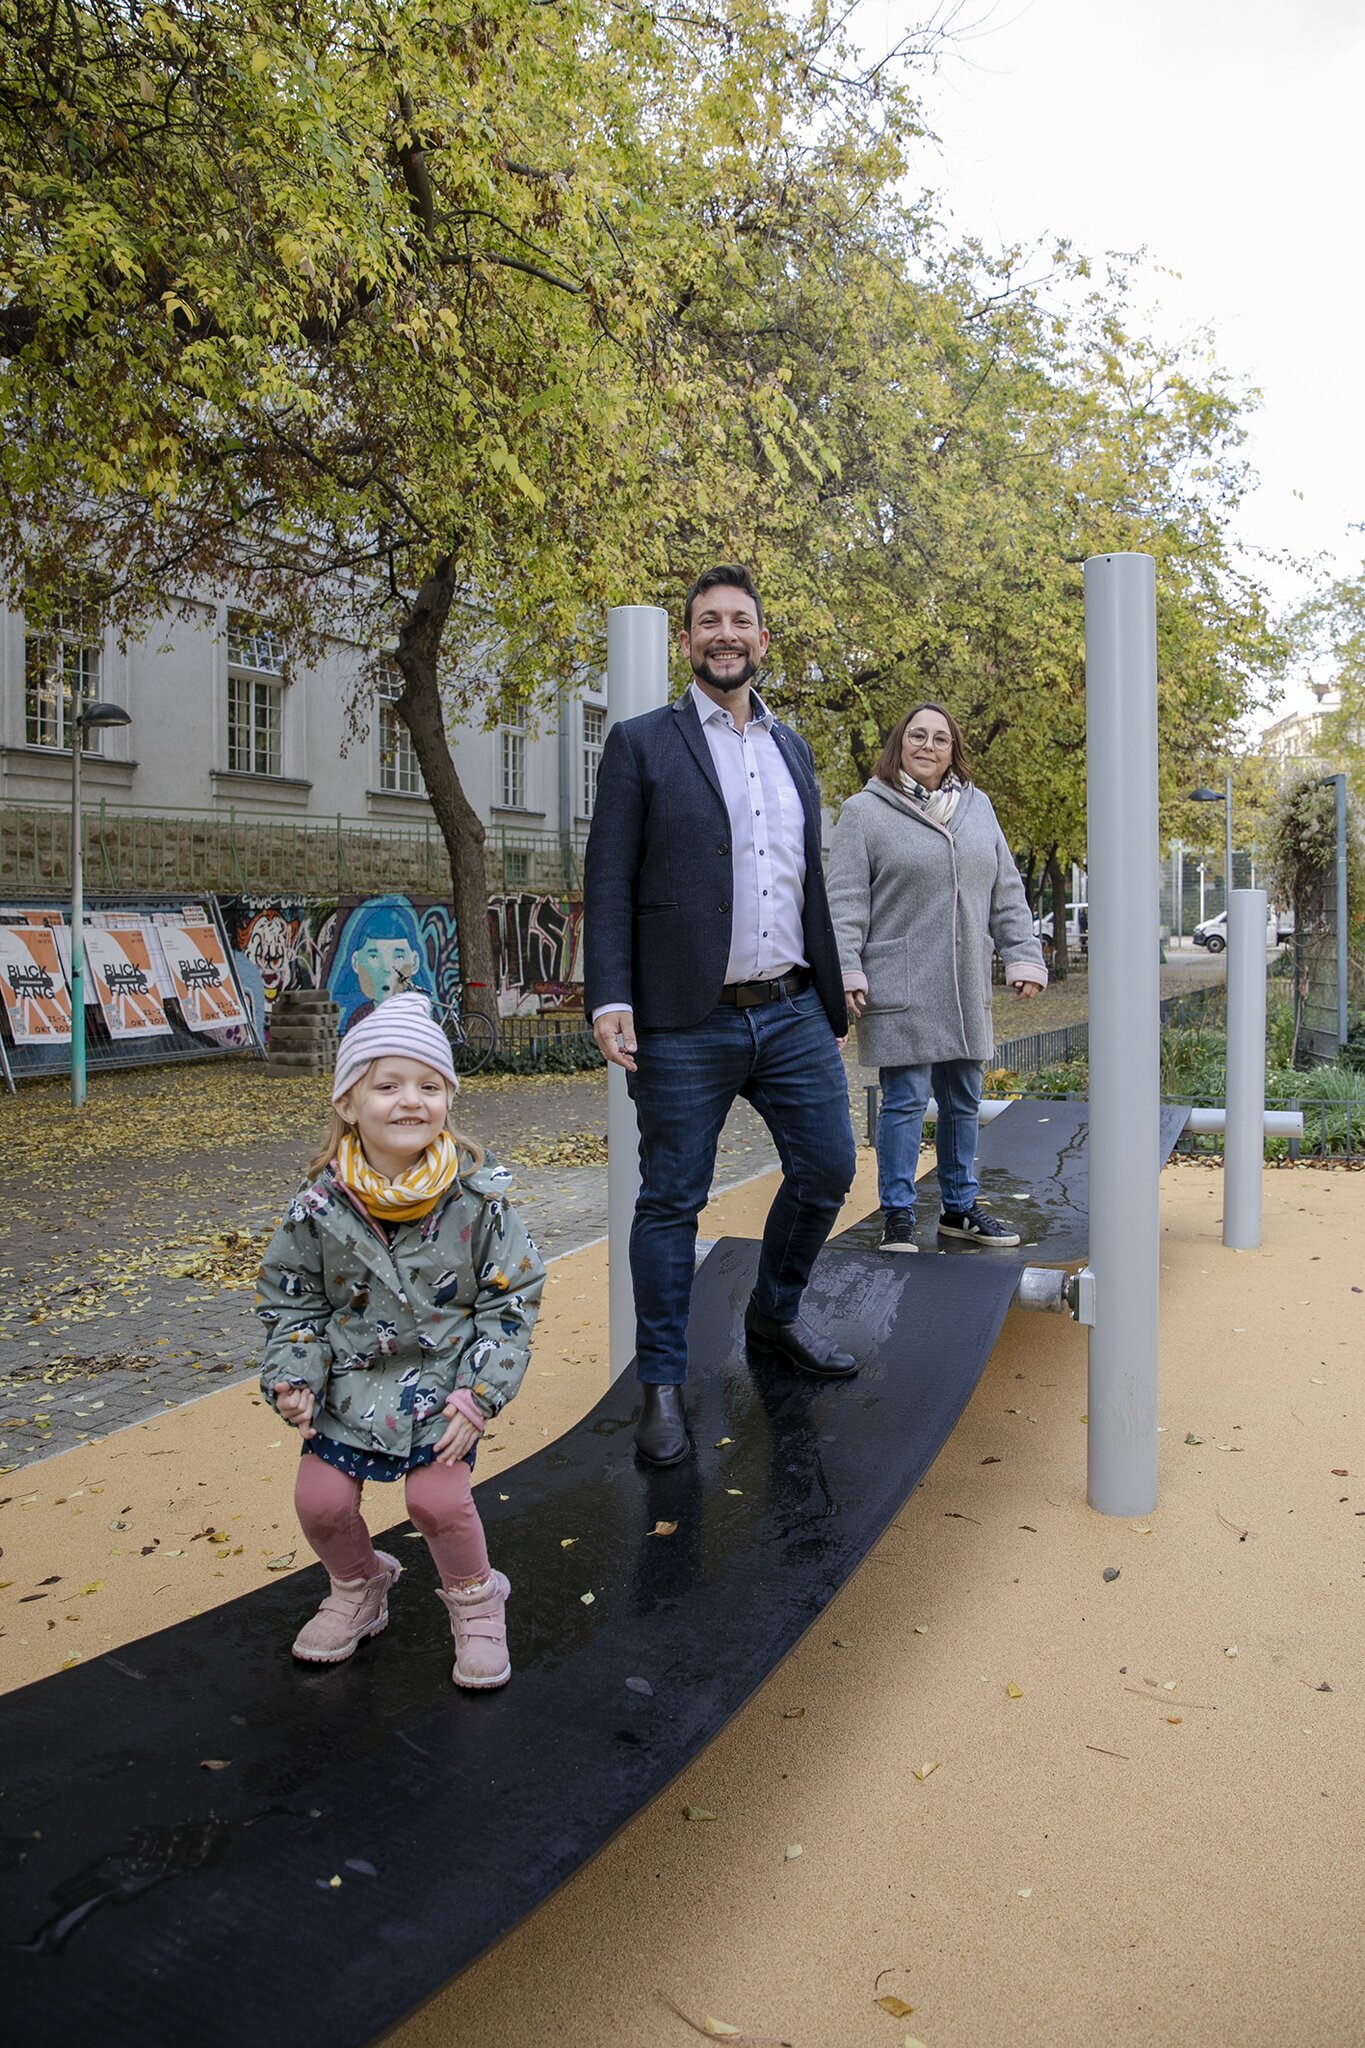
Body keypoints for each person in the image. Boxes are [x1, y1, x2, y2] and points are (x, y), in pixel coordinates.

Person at [584, 563, 859, 1468]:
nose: (725, 635)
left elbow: (804, 879)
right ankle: (661, 1384)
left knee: (827, 1166)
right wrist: (610, 994)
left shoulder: (793, 749)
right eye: (709, 622)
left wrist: (833, 984)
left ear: (762, 639)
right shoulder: (640, 743)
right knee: (671, 1200)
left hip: (789, 1008)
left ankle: (773, 1318)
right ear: (687, 641)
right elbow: (608, 876)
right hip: (681, 1018)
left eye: (740, 620)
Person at [256, 991, 545, 1686]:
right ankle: (360, 1585)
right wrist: (295, 1374)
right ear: (348, 1103)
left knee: (435, 1502)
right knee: (321, 1503)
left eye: (429, 1086)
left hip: (446, 1386)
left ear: (448, 1099)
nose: (411, 1100)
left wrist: (480, 1392)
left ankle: (478, 1602)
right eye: (388, 1086)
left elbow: (511, 1299)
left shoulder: (478, 1202)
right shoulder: (316, 1209)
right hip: (350, 1385)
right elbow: (293, 1302)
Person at [827, 703, 1046, 1251]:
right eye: (917, 735)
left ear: (953, 751)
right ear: (899, 744)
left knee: (964, 1099)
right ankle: (898, 1213)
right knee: (905, 1100)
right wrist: (846, 968)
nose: (928, 745)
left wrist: (1023, 954)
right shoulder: (864, 812)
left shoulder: (978, 808)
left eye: (940, 738)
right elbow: (845, 901)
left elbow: (1007, 890)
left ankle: (959, 1208)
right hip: (901, 980)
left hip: (965, 980)